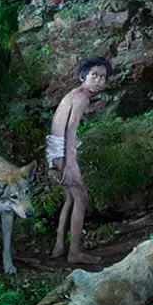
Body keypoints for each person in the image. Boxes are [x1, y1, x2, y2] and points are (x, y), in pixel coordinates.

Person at [47, 56, 112, 264]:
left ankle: (59, 246)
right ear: (83, 76)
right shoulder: (81, 97)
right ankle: (74, 252)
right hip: (61, 152)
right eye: (94, 75)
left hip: (54, 149)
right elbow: (70, 128)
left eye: (103, 77)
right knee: (81, 199)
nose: (99, 80)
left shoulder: (75, 95)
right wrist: (70, 163)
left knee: (71, 198)